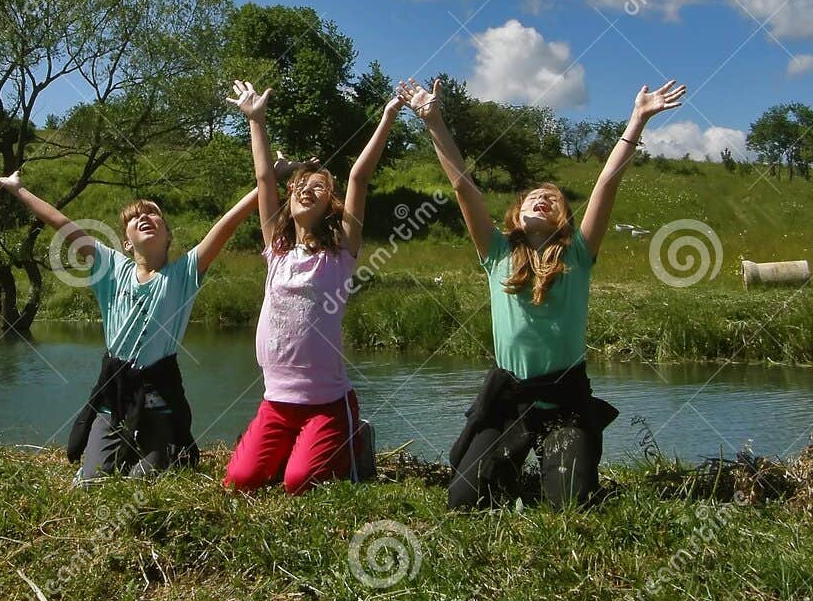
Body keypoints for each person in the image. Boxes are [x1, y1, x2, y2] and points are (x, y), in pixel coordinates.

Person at [396, 76, 687, 509]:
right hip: (507, 402)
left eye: (553, 199)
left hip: (565, 404)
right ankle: (507, 468)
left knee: (570, 501)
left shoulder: (578, 253)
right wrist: (433, 120)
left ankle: (557, 465)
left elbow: (607, 183)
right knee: (464, 501)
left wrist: (637, 119)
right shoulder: (496, 251)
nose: (542, 199)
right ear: (517, 214)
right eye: (534, 197)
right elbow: (462, 186)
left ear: (563, 219)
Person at [0, 170, 259, 483]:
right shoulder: (110, 267)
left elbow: (227, 224)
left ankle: (161, 450)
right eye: (135, 217)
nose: (145, 217)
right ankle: (119, 449)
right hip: (115, 397)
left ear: (168, 236)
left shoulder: (185, 273)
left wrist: (266, 184)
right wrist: (18, 189)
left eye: (153, 214)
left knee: (145, 479)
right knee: (93, 480)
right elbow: (63, 224)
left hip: (159, 399)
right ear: (126, 242)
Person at [222, 79, 403, 494]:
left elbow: (359, 177)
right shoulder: (276, 248)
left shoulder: (340, 254)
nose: (306, 188)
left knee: (299, 482)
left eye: (318, 186)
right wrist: (256, 120)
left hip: (326, 403)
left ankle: (354, 436)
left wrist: (388, 117)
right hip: (277, 401)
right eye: (301, 185)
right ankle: (292, 446)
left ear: (330, 204)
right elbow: (264, 179)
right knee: (240, 481)